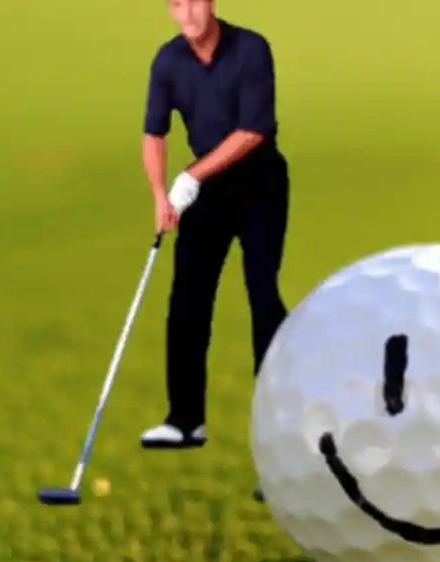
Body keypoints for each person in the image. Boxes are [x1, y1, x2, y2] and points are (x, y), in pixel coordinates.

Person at [139, 0, 290, 482]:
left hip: (259, 183)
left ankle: (281, 427)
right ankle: (185, 420)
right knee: (187, 299)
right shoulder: (168, 60)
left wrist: (191, 174)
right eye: (178, 4)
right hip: (204, 190)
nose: (188, 13)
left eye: (196, 2)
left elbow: (253, 131)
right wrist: (161, 194)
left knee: (262, 295)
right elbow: (154, 134)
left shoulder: (250, 48)